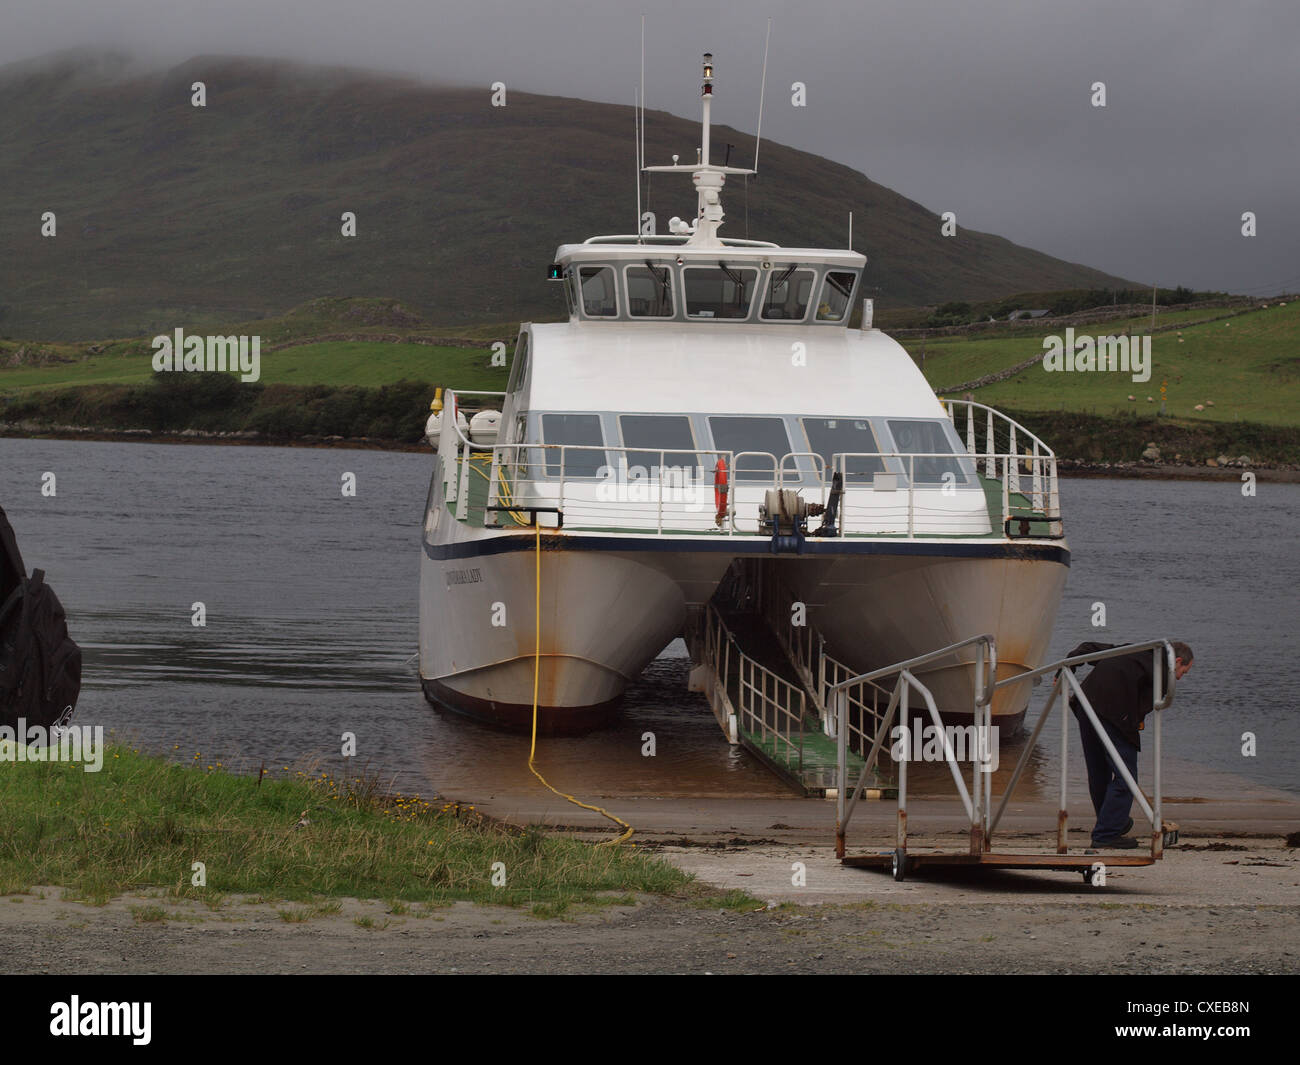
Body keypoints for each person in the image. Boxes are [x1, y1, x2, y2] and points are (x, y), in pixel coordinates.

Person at [1065, 640, 1194, 848]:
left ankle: (1112, 822)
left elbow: (1089, 648)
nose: (1178, 678)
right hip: (1113, 713)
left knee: (1099, 771)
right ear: (1177, 661)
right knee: (1126, 778)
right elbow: (1140, 709)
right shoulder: (1161, 672)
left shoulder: (1134, 650)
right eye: (1183, 672)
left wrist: (1068, 665)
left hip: (1085, 705)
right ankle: (1106, 834)